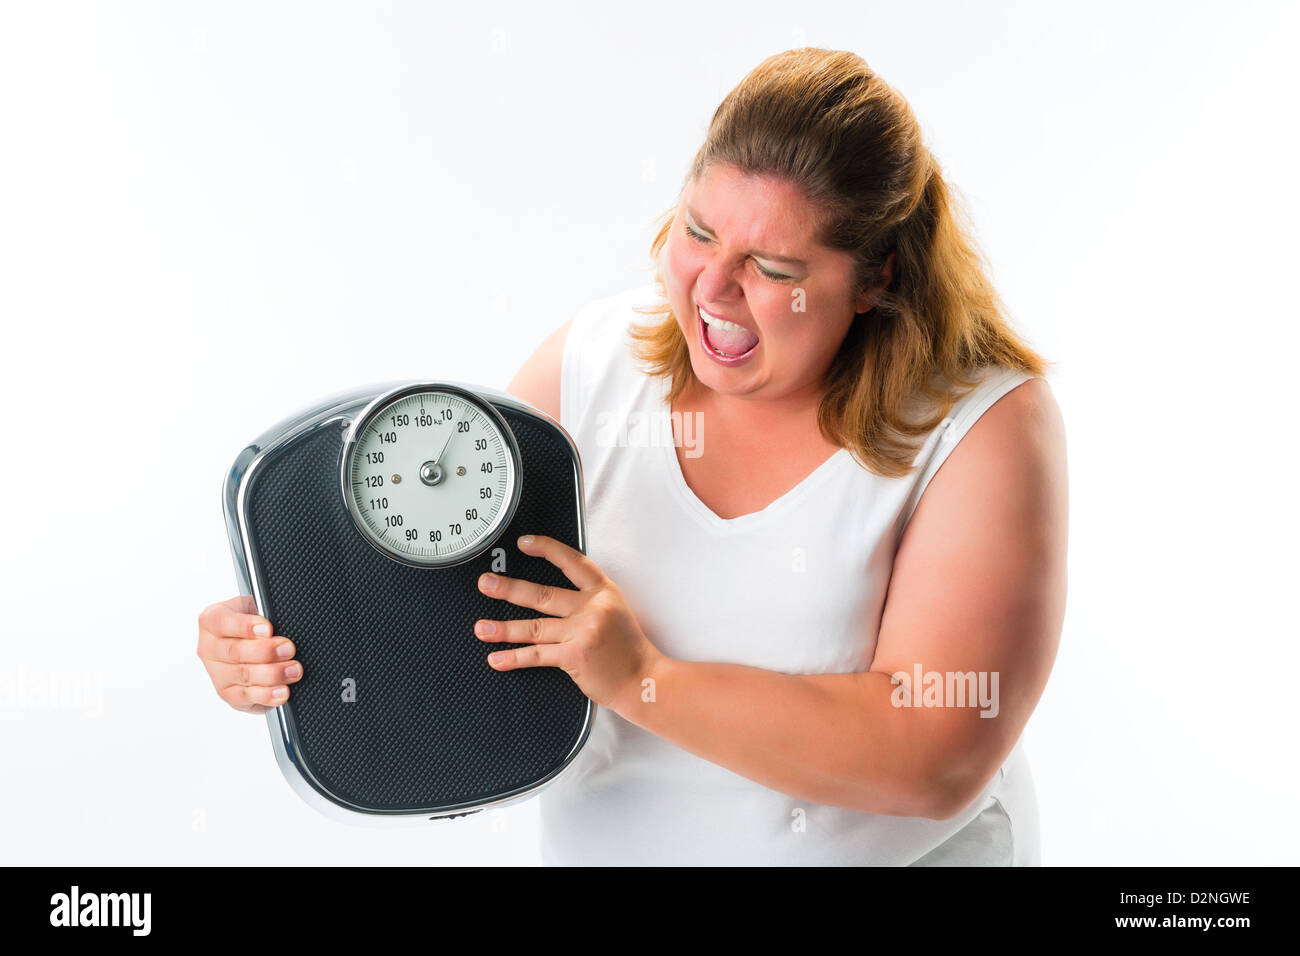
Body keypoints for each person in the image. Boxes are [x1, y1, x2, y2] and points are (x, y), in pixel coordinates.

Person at [197, 47, 1067, 865]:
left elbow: (934, 755)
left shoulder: (981, 427)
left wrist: (645, 678)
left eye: (772, 265)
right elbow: (463, 622)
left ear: (877, 278)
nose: (712, 290)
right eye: (698, 232)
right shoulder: (585, 374)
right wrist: (286, 650)